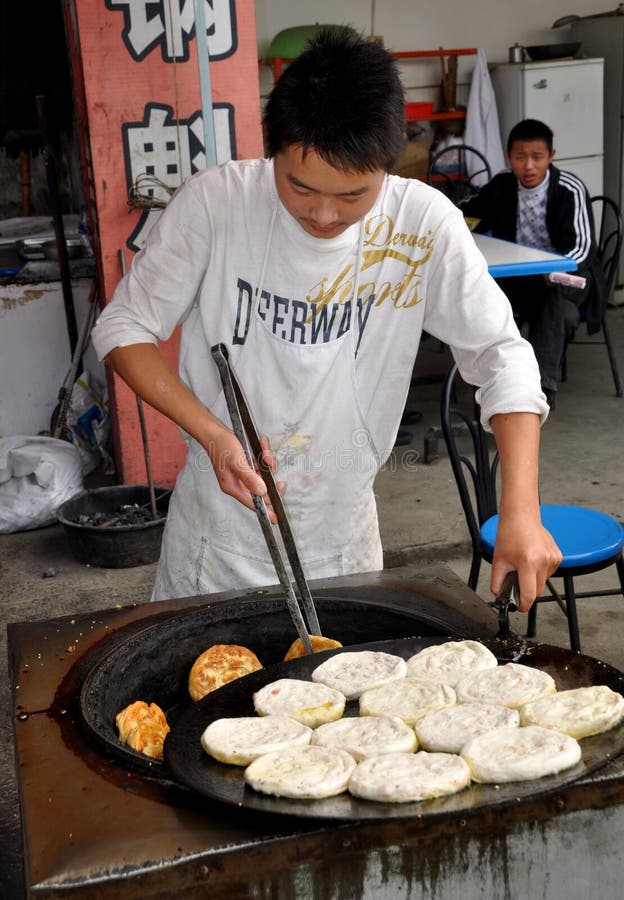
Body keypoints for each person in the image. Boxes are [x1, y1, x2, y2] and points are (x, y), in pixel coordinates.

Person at [91, 27, 561, 612]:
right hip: (216, 542)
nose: (321, 213)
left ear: (390, 167)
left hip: (344, 543)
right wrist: (214, 438)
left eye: (351, 197)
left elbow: (503, 357)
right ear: (273, 151)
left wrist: (521, 509)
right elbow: (122, 329)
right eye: (300, 186)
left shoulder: (420, 224)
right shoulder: (217, 204)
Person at [462, 118, 606, 408]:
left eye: (537, 157)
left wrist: (556, 269)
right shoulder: (502, 185)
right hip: (521, 278)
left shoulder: (569, 189)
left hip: (571, 278)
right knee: (487, 295)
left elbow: (583, 248)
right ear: (508, 156)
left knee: (550, 294)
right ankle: (495, 383)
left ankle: (540, 388)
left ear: (551, 156)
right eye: (520, 157)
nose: (528, 166)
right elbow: (467, 212)